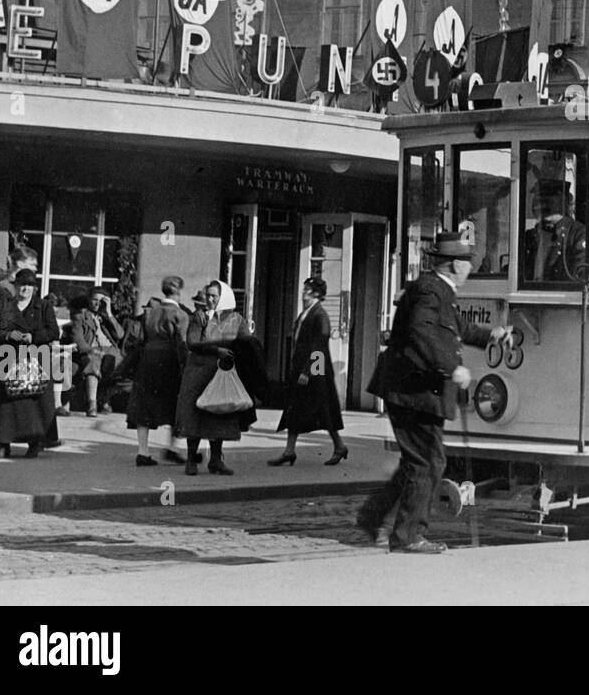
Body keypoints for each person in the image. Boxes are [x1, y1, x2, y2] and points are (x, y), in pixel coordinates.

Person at [359, 233, 513, 554]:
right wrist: (449, 368)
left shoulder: (438, 289)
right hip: (414, 391)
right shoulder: (431, 290)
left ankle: (373, 517)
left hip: (413, 390)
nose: (471, 267)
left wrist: (493, 335)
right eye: (469, 262)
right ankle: (409, 537)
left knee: (416, 462)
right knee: (428, 462)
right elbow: (421, 332)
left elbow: (458, 329)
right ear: (457, 264)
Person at [174, 280, 265, 476]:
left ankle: (216, 460)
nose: (210, 299)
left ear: (223, 297)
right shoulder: (198, 317)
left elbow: (247, 342)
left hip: (222, 373)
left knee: (220, 415)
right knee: (195, 416)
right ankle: (191, 460)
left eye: (214, 296)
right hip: (198, 373)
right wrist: (217, 349)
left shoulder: (236, 319)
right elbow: (192, 343)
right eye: (208, 295)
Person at [270, 276, 348, 467]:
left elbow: (319, 346)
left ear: (316, 294)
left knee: (323, 409)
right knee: (294, 407)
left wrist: (309, 373)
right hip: (302, 369)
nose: (303, 293)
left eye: (307, 290)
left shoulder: (320, 315)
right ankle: (289, 451)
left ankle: (339, 445)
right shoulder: (306, 313)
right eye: (305, 289)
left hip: (316, 372)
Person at [0, 268, 60, 458]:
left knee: (35, 404)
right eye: (21, 285)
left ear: (34, 288)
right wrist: (8, 334)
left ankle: (35, 443)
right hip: (8, 359)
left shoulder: (43, 306)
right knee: (6, 404)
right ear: (15, 286)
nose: (25, 289)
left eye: (29, 285)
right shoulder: (5, 306)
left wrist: (33, 336)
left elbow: (53, 332)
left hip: (36, 360)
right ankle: (4, 445)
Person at [123, 276, 190, 467]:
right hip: (169, 361)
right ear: (178, 292)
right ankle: (173, 448)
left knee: (143, 405)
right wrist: (185, 366)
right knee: (176, 404)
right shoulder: (181, 315)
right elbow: (182, 343)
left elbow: (139, 339)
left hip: (147, 361)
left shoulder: (149, 313)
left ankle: (142, 452)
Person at [66, 293, 121, 417]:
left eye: (101, 301)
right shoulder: (80, 316)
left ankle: (104, 398)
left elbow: (120, 334)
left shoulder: (105, 317)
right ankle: (92, 404)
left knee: (118, 363)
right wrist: (90, 350)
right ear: (88, 301)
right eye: (94, 300)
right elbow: (77, 339)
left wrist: (109, 313)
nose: (97, 303)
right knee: (93, 361)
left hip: (109, 350)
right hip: (91, 350)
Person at [522, 180, 588, 283]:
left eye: (547, 200)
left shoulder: (578, 234)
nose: (541, 205)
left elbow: (580, 275)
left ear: (563, 201)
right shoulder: (530, 235)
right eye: (538, 200)